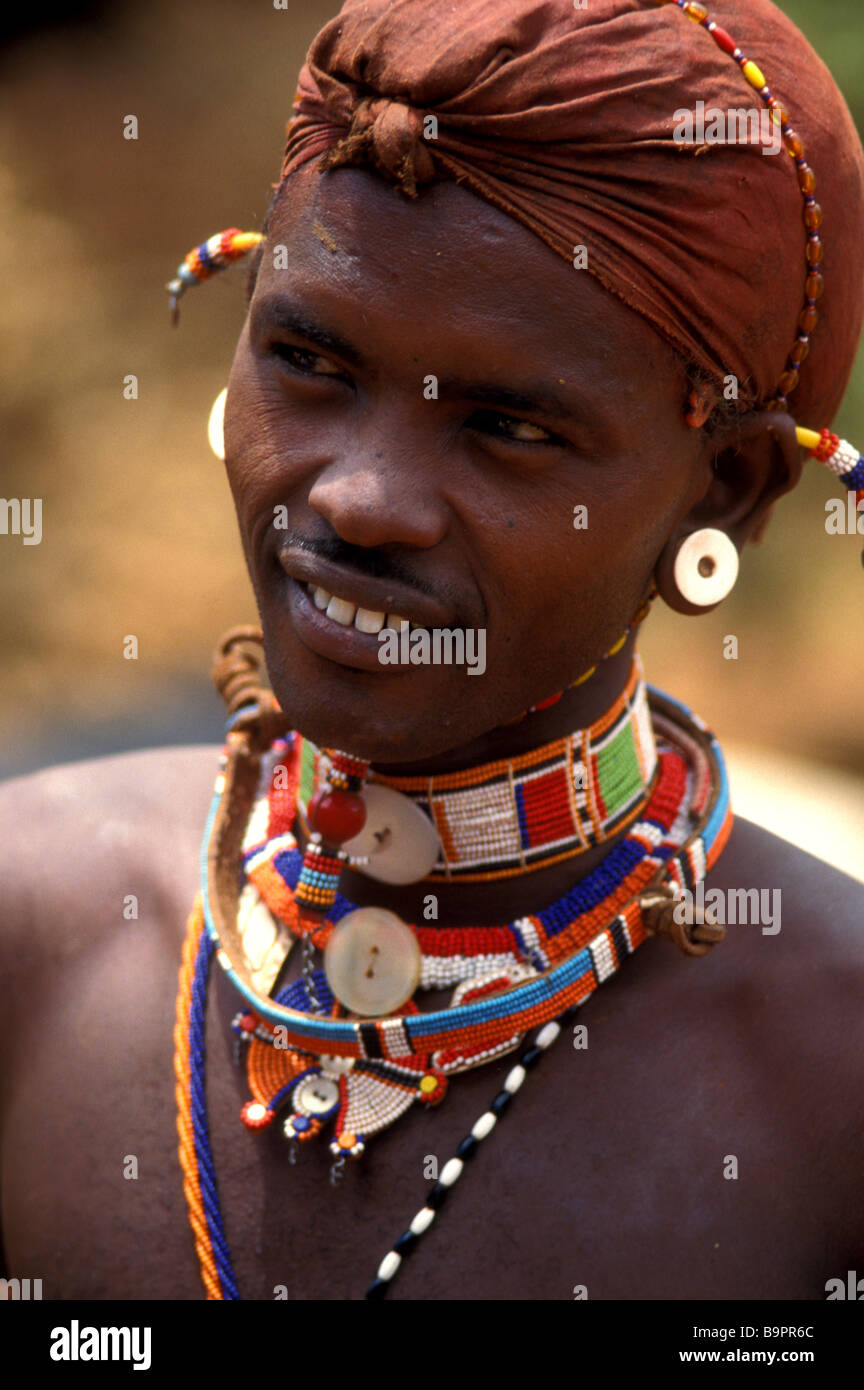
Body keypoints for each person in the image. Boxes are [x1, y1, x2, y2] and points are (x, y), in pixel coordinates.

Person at [1, 0, 862, 1303]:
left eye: (509, 426)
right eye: (308, 358)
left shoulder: (831, 1079)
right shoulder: (34, 927)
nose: (358, 499)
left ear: (727, 491)